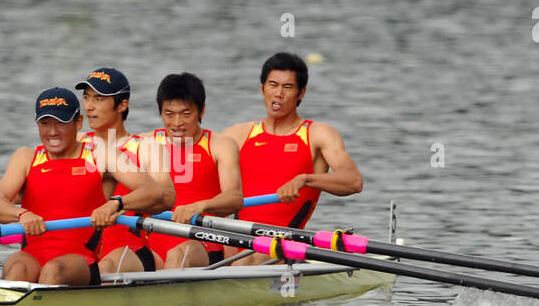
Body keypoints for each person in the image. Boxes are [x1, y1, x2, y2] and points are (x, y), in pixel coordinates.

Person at [0, 87, 168, 285]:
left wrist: (115, 205)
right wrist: (21, 214)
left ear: (78, 123)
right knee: (16, 268)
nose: (52, 132)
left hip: (80, 261)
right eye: (45, 123)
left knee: (52, 271)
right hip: (31, 256)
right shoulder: (25, 157)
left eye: (61, 123)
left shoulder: (103, 155)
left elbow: (153, 191)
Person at [222, 53, 362, 263]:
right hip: (237, 239)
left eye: (287, 87)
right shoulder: (237, 134)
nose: (278, 94)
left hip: (283, 245)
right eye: (273, 85)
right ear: (262, 89)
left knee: (248, 258)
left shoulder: (318, 134)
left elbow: (353, 181)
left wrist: (305, 179)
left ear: (301, 93)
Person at [74, 67, 174, 274]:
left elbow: (167, 199)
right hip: (78, 248)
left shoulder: (147, 147)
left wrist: (117, 205)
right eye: (86, 98)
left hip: (129, 250)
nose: (89, 106)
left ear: (122, 105)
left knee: (105, 268)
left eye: (99, 99)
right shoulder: (73, 143)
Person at [147, 72, 243, 268]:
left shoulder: (220, 145)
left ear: (202, 111)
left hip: (203, 243)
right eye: (169, 114)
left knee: (178, 255)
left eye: (186, 113)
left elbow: (234, 198)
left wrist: (200, 207)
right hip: (153, 242)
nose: (177, 123)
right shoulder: (145, 143)